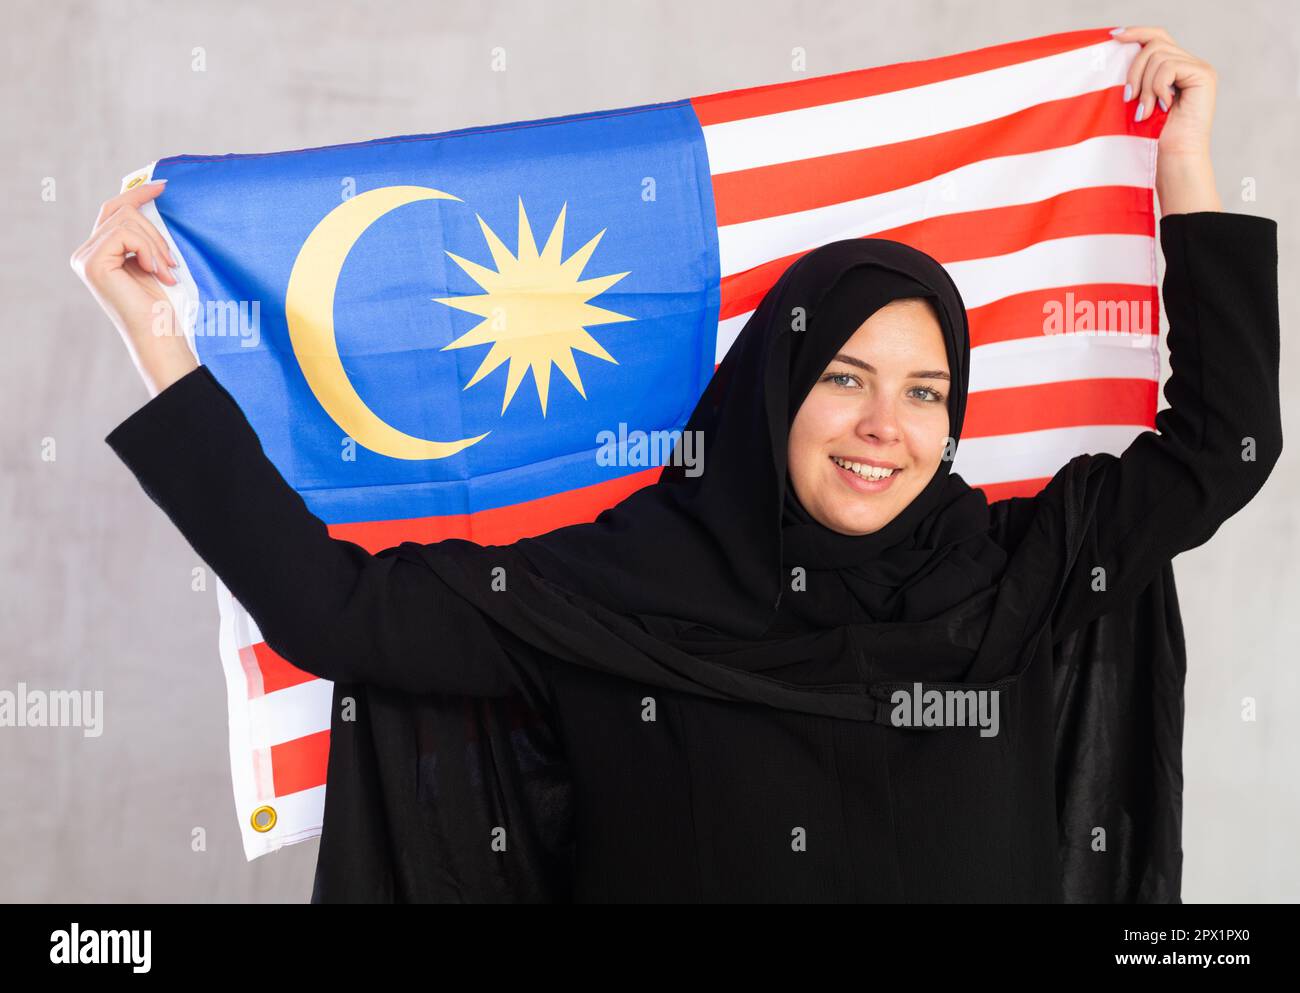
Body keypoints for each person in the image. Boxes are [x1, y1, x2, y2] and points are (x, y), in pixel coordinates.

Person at [73, 27, 1281, 902]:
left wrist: (1182, 167)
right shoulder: (610, 597)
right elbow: (330, 610)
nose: (885, 426)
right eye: (843, 380)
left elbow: (1222, 447)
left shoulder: (1017, 574)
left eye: (924, 394)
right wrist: (163, 343)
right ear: (770, 393)